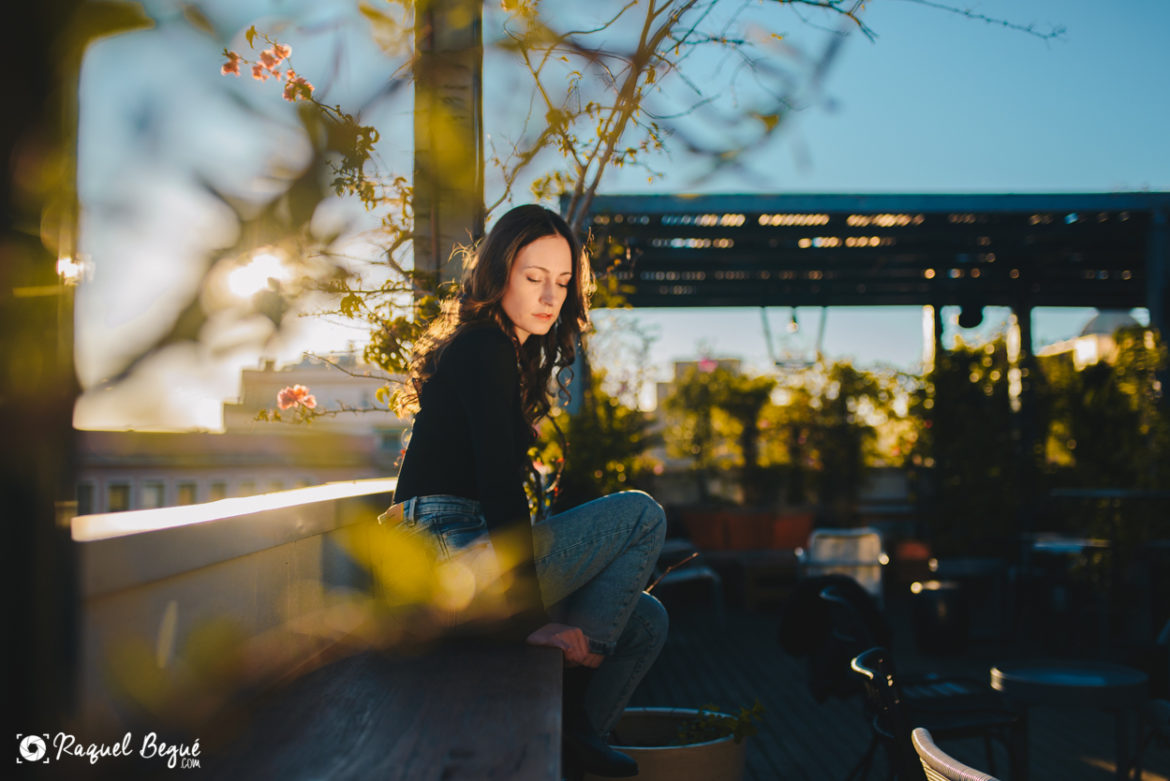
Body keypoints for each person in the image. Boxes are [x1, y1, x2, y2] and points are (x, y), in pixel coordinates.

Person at [390, 204, 668, 778]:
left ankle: (570, 745)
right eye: (533, 277)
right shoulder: (483, 347)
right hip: (449, 552)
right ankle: (567, 715)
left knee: (646, 620)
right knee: (640, 515)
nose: (550, 296)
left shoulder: (500, 351)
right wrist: (528, 619)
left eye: (562, 282)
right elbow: (497, 487)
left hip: (455, 547)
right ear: (499, 274)